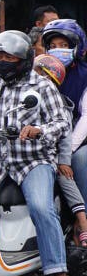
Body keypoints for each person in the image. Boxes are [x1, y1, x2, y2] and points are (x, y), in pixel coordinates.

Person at [0, 30, 75, 276]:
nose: (2, 61)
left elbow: (61, 123)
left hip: (33, 160)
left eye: (8, 57)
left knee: (41, 207)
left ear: (23, 59)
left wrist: (39, 130)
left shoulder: (42, 87)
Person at [33, 54, 87, 248]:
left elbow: (64, 136)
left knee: (65, 178)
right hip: (22, 156)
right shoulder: (23, 97)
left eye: (42, 75)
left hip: (51, 155)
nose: (37, 78)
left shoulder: (59, 104)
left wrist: (63, 161)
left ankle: (82, 222)